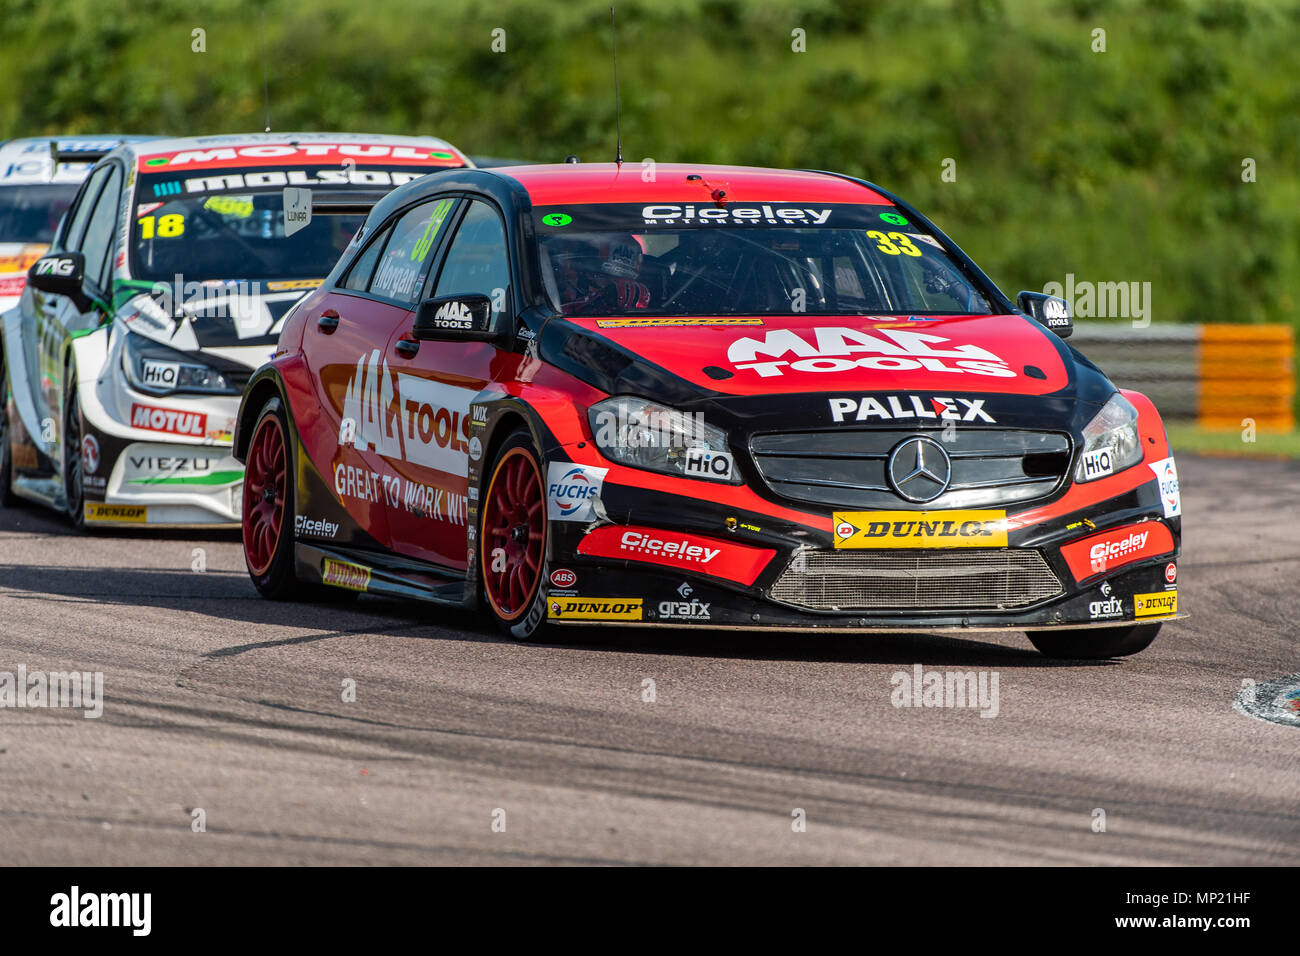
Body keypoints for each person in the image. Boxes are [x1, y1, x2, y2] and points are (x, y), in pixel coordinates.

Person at [550, 233, 651, 315]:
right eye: (605, 277)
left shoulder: (641, 297)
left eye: (623, 279)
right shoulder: (554, 292)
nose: (616, 285)